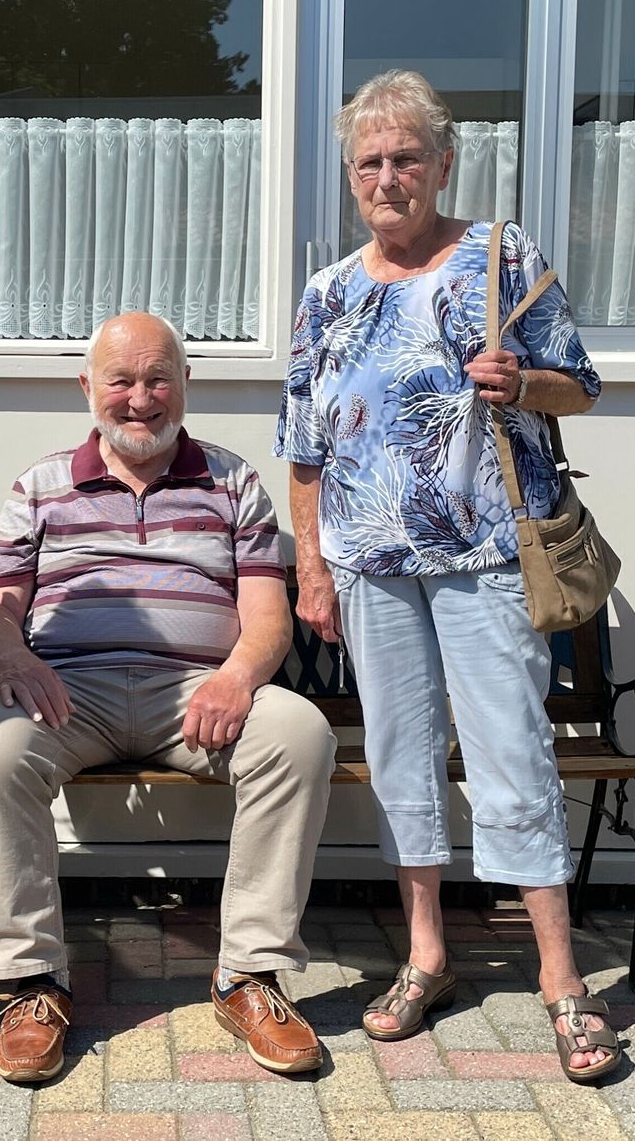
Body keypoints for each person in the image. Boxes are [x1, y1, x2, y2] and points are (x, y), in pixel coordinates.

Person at [276, 69, 620, 1083]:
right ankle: (426, 950)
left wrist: (523, 382)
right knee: (402, 757)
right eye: (370, 162)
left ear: (443, 164)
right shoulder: (330, 291)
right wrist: (310, 561)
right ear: (351, 177)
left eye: (406, 158)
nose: (388, 177)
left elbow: (582, 387)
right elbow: (302, 446)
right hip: (368, 563)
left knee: (511, 748)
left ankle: (562, 976)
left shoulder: (495, 257)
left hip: (482, 558)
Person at [0, 311, 337, 1083]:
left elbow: (267, 616)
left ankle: (249, 976)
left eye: (159, 378)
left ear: (186, 384)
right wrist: (16, 659)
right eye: (122, 380)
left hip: (199, 695)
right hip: (71, 696)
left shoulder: (233, 481)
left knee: (299, 734)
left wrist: (237, 679)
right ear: (88, 387)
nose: (141, 398)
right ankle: (32, 984)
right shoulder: (39, 487)